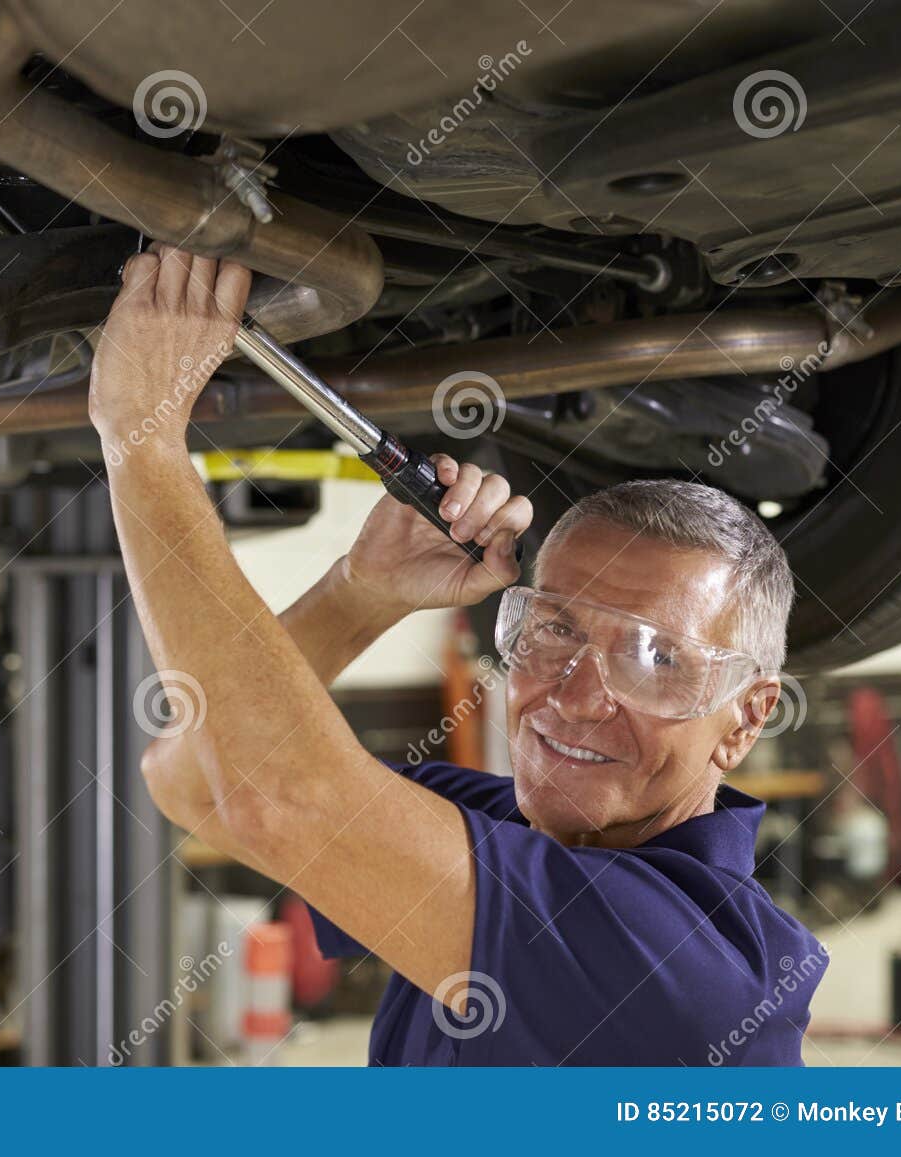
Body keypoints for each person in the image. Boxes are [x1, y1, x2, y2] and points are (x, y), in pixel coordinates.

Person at [89, 244, 827, 1066]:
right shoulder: (496, 826)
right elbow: (193, 777)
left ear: (745, 718)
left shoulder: (697, 970)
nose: (575, 696)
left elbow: (274, 795)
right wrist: (359, 593)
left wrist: (141, 437)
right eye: (555, 629)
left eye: (656, 660)